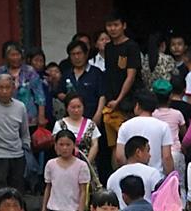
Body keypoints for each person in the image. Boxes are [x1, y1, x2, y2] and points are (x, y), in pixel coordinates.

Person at [102, 12, 142, 157]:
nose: (112, 29)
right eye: (109, 26)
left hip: (129, 101)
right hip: (112, 101)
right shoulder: (108, 48)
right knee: (115, 144)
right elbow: (109, 73)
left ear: (123, 26)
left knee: (132, 141)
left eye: (116, 25)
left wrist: (118, 99)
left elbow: (131, 77)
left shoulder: (131, 46)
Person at [0, 42, 47, 131]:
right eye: (12, 55)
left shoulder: (29, 71)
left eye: (18, 54)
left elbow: (40, 96)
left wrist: (41, 116)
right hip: (5, 116)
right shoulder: (0, 72)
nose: (15, 58)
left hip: (28, 116)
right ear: (6, 57)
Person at [116, 91, 174, 177]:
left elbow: (119, 157)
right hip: (157, 176)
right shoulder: (163, 126)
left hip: (131, 178)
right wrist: (170, 177)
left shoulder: (125, 126)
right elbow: (167, 157)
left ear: (137, 106)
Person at [58, 39, 105, 129]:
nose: (76, 57)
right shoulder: (67, 74)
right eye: (73, 54)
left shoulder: (96, 73)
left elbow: (102, 95)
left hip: (91, 117)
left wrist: (98, 114)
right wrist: (68, 98)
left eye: (79, 53)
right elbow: (59, 92)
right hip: (72, 120)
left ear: (86, 54)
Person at [106, 135, 162, 208]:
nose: (149, 155)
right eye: (147, 151)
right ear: (138, 152)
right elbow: (160, 199)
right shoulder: (152, 173)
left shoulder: (113, 178)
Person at [151, 79, 186, 187]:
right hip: (175, 152)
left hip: (157, 155)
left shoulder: (152, 114)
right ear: (170, 96)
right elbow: (184, 133)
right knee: (179, 186)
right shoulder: (178, 114)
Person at [54, 92, 101, 170]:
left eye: (79, 107)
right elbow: (56, 145)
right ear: (67, 108)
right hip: (65, 166)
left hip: (87, 166)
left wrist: (86, 163)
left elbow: (95, 145)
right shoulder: (60, 124)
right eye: (73, 107)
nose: (76, 110)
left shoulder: (91, 124)